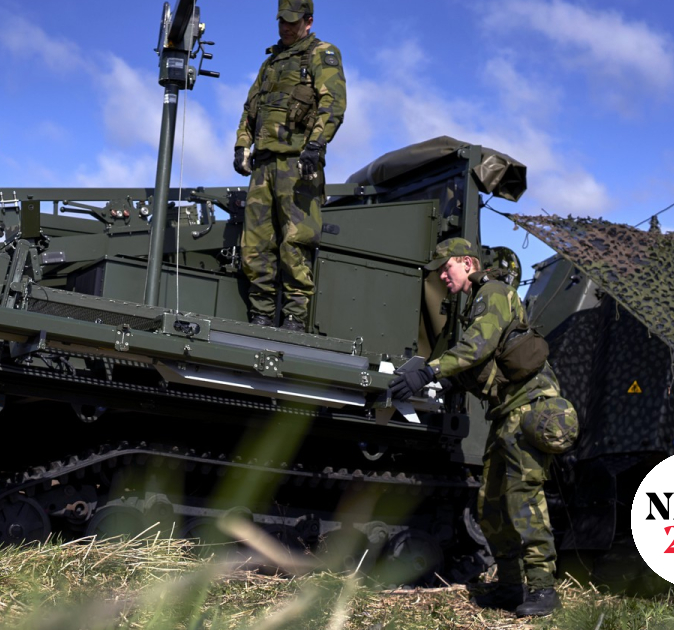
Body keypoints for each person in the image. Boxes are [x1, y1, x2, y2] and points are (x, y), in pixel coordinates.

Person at [388, 238, 579, 618]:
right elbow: (479, 364)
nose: (443, 276)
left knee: (523, 499)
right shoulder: (476, 300)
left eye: (447, 267)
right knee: (491, 505)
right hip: (505, 412)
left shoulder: (493, 292)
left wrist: (431, 370)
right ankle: (510, 586)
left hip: (528, 408)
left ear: (467, 262)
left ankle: (543, 589)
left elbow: (477, 346)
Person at [233, 0, 346, 332]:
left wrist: (315, 144)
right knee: (255, 245)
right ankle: (261, 315)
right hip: (264, 164)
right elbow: (250, 109)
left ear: (308, 22)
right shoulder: (270, 63)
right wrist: (243, 143)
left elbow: (333, 102)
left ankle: (294, 318)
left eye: (293, 21)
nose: (285, 27)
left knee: (295, 242)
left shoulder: (320, 54)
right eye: (282, 20)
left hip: (298, 163)